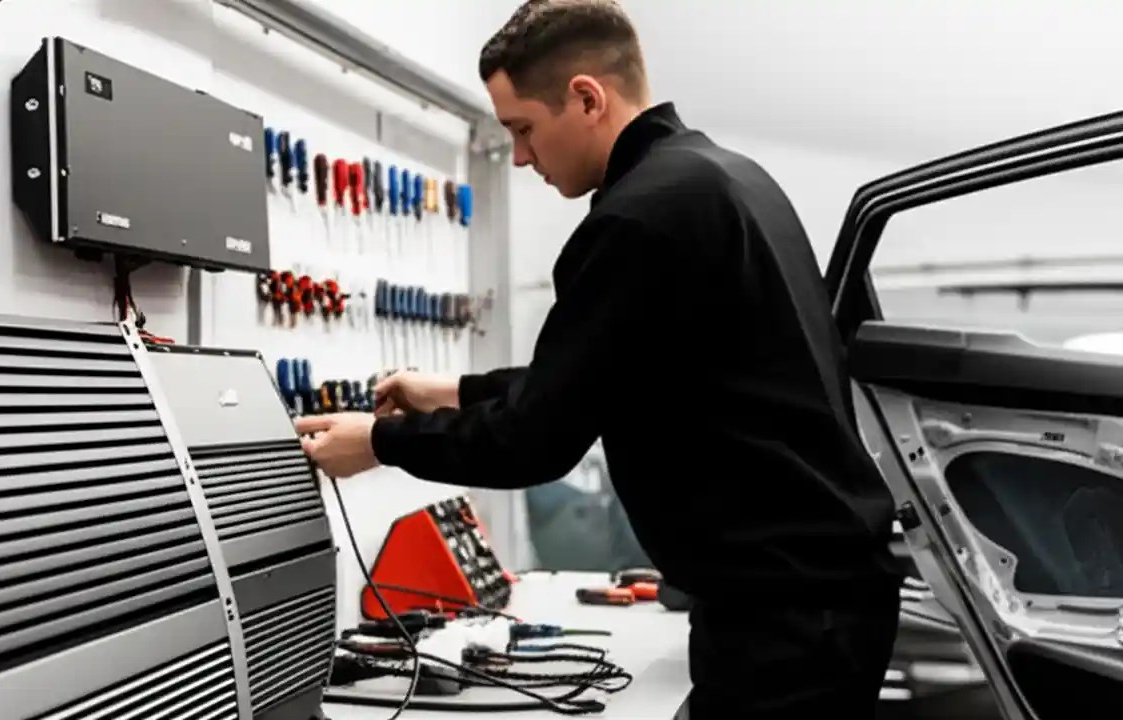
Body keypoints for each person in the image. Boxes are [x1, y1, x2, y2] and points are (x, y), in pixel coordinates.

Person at [293, 0, 904, 715]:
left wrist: (379, 442)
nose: (520, 157)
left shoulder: (639, 217)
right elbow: (612, 375)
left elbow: (536, 439)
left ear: (587, 98)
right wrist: (453, 389)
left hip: (784, 616)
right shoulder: (726, 179)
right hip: (819, 600)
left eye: (523, 129)